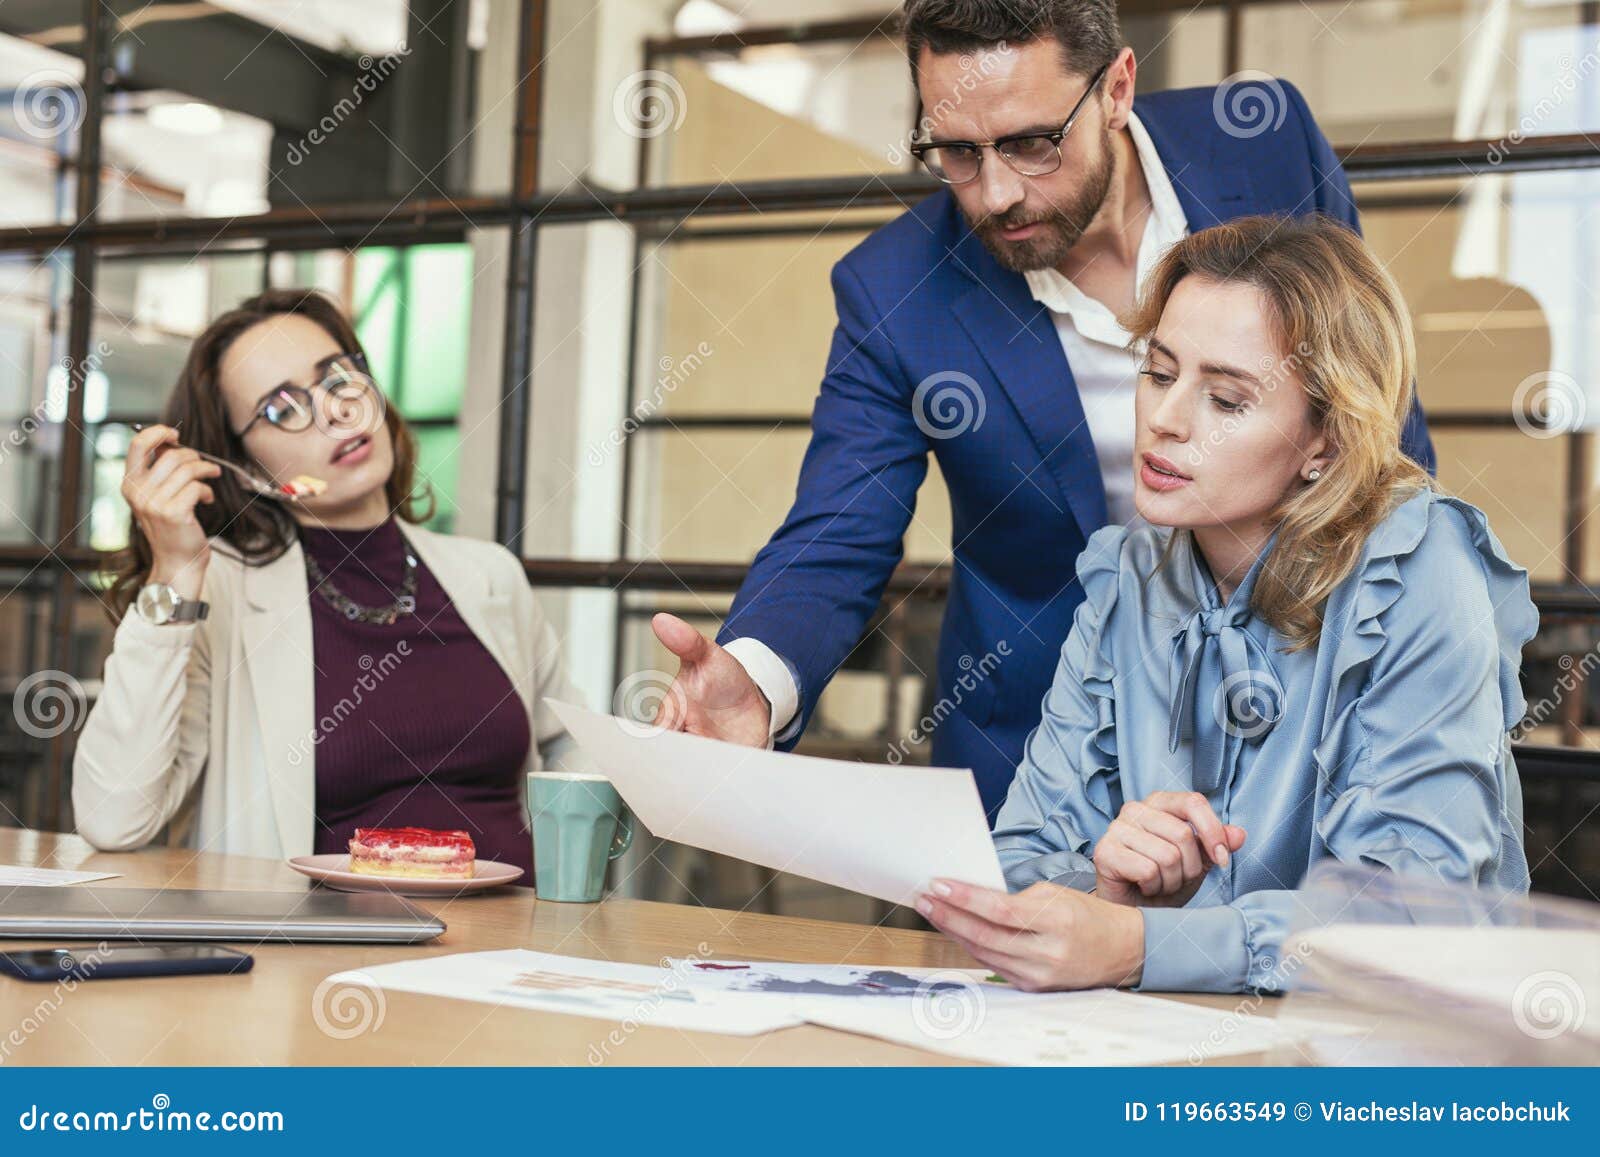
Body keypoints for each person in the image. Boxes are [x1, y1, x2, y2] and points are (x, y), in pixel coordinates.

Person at [645, 0, 1435, 815]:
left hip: (1293, 733)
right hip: (1034, 765)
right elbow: (838, 528)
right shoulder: (892, 291)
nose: (994, 195)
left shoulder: (1264, 144)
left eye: (1031, 143)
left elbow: (1375, 429)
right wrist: (756, 675)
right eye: (956, 151)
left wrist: (1400, 680)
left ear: (1116, 88)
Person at [914, 214, 1534, 993]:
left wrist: (1142, 943)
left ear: (1327, 444)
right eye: (1159, 371)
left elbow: (1415, 918)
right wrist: (1108, 896)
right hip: (1166, 1051)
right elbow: (1013, 865)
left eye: (1227, 400)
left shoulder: (1421, 566)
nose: (1166, 419)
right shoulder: (1131, 569)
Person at [72, 289, 588, 878]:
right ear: (242, 464)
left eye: (338, 376)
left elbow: (576, 747)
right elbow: (114, 818)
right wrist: (176, 574)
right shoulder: (218, 593)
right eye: (282, 406)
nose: (335, 412)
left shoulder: (489, 574)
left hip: (515, 947)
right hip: (325, 958)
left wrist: (571, 873)